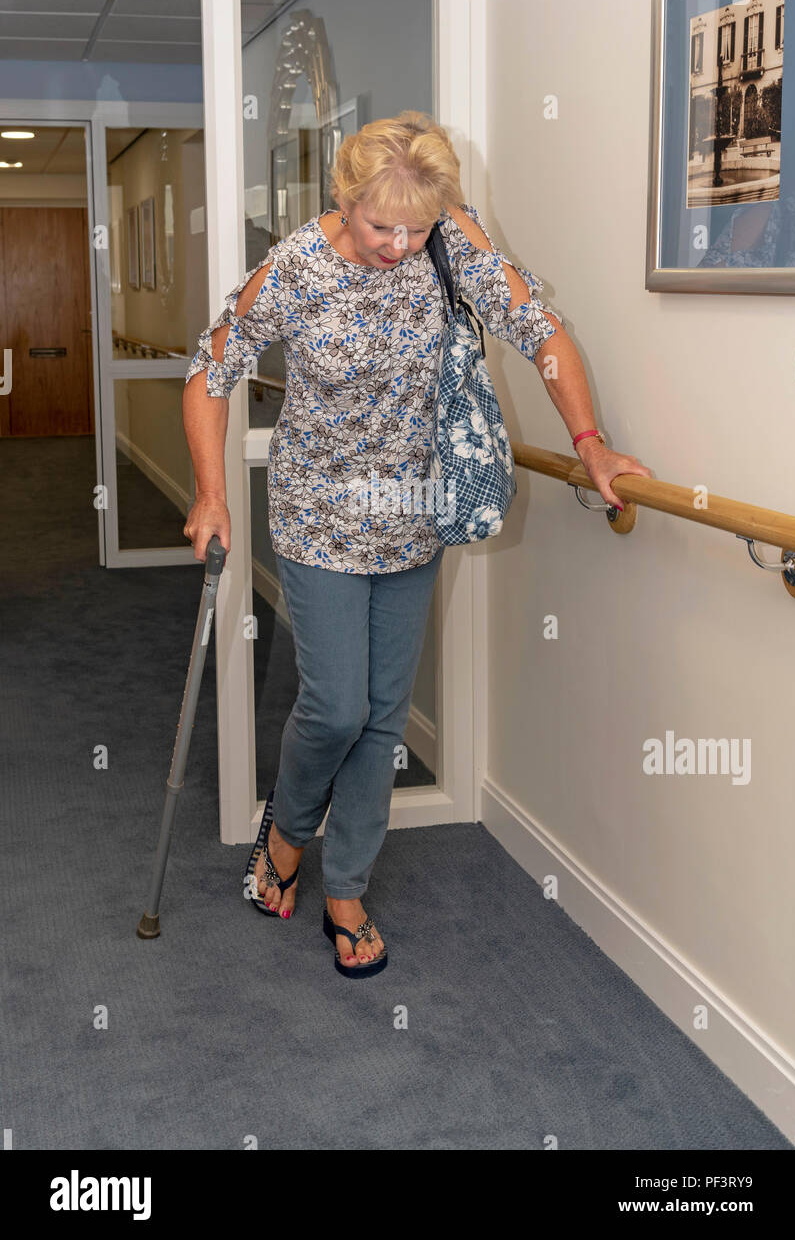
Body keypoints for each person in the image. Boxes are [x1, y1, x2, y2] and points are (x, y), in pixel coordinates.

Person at [182, 109, 652, 977]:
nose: (400, 244)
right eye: (379, 225)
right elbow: (211, 372)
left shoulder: (451, 241)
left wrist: (589, 444)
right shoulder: (295, 267)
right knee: (337, 707)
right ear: (342, 198)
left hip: (413, 515)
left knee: (382, 718)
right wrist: (212, 493)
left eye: (417, 227)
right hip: (318, 515)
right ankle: (285, 833)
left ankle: (348, 886)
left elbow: (540, 332)